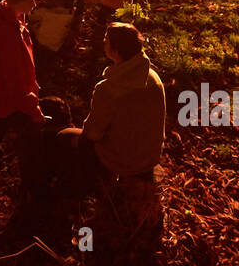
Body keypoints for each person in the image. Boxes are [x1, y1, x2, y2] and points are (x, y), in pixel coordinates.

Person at [54, 24, 165, 229]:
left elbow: (93, 133)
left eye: (106, 41)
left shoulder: (109, 88)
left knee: (65, 137)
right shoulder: (153, 78)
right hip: (150, 154)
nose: (103, 43)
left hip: (124, 160)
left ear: (115, 51)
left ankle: (74, 194)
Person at [0, 0, 48, 199]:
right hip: (14, 96)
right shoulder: (9, 34)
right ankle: (31, 185)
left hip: (1, 92)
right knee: (27, 139)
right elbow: (16, 78)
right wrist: (33, 108)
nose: (34, 5)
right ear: (20, 1)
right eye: (32, 1)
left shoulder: (7, 17)